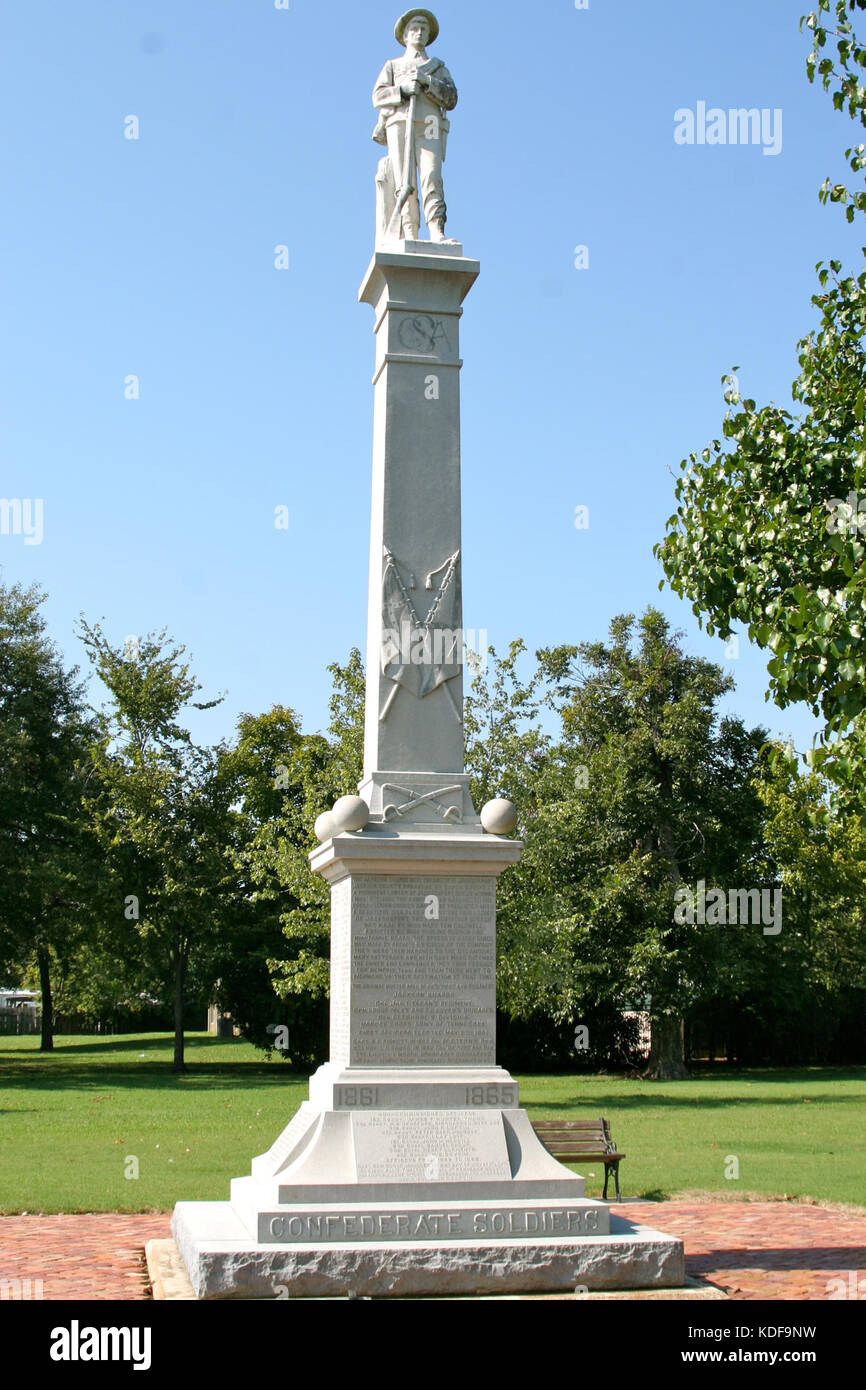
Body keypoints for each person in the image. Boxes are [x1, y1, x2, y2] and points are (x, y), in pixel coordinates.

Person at [372, 10, 457, 243]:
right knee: (404, 180)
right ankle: (409, 232)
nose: (419, 32)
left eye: (423, 29)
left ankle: (436, 231)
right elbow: (377, 96)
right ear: (406, 35)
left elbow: (451, 98)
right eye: (414, 28)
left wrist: (427, 83)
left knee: (431, 176)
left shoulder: (437, 67)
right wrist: (401, 90)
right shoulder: (393, 65)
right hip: (399, 122)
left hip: (430, 123)